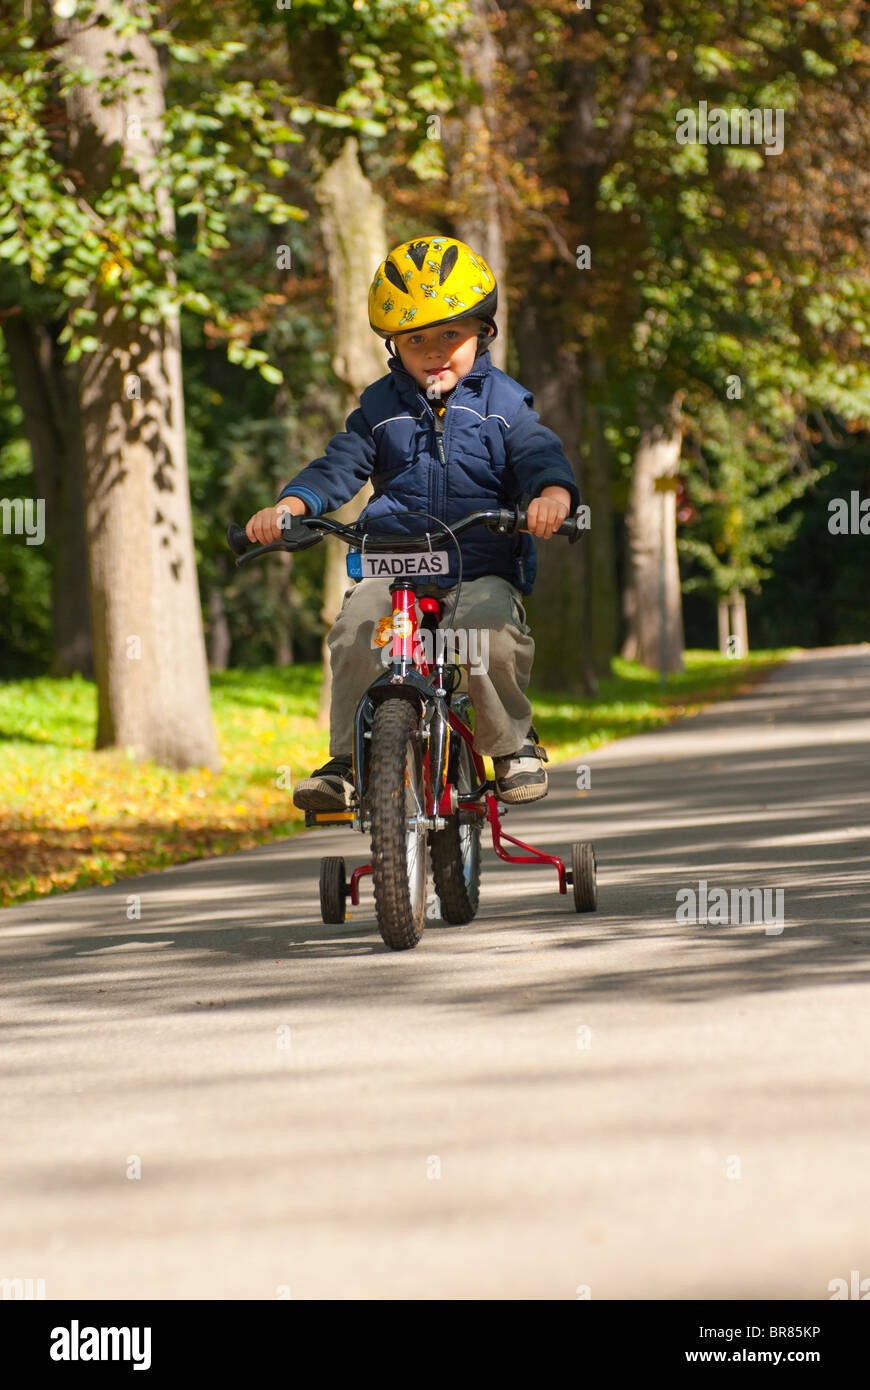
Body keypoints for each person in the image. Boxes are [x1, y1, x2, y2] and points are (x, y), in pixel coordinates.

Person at [245, 234, 580, 811]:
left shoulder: (504, 403)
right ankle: (347, 764)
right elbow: (340, 466)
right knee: (356, 632)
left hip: (479, 565)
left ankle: (511, 746)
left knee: (489, 634)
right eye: (416, 338)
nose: (435, 350)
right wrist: (293, 506)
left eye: (451, 334)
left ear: (484, 332)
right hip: (392, 566)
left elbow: (536, 453)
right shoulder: (379, 407)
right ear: (393, 347)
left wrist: (550, 495)